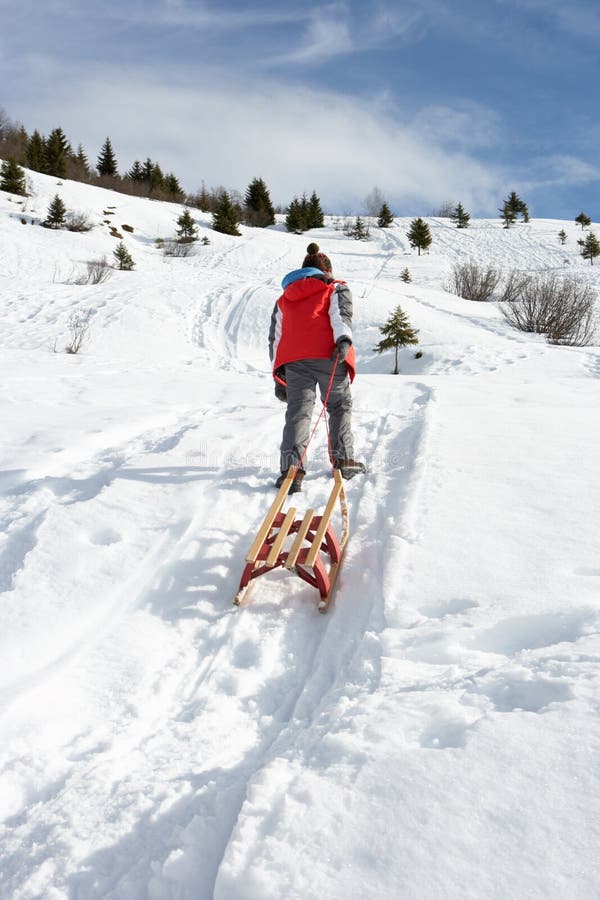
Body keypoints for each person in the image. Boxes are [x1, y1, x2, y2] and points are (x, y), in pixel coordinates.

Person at [268, 243, 366, 492]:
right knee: (339, 405)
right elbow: (340, 316)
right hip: (329, 356)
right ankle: (343, 461)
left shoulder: (284, 298)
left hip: (294, 361)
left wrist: (278, 374)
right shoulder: (334, 288)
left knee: (298, 412)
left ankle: (291, 472)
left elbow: (276, 338)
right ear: (326, 271)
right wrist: (343, 340)